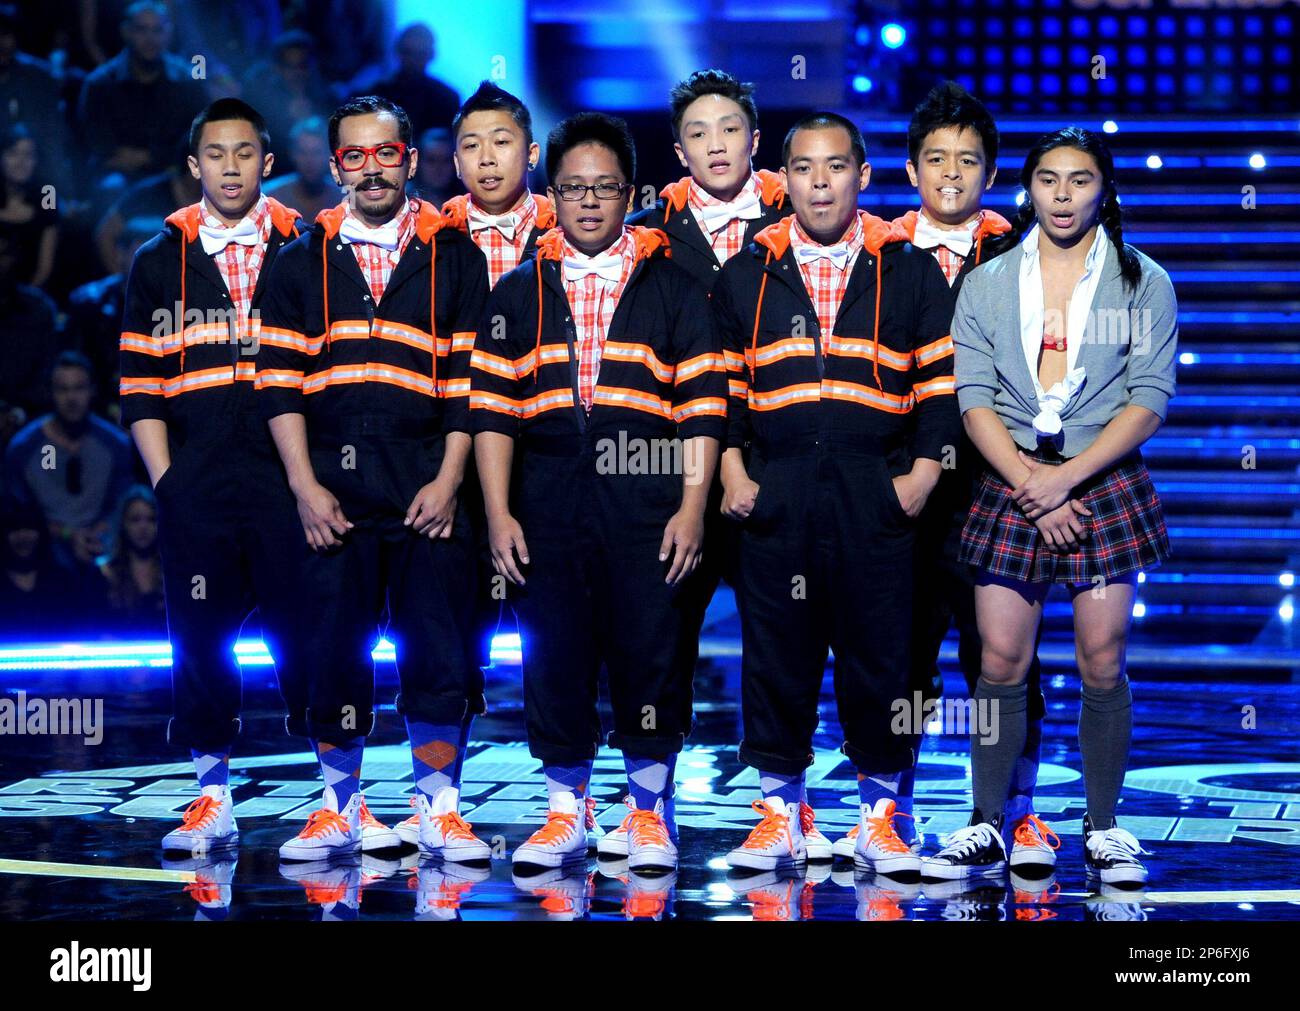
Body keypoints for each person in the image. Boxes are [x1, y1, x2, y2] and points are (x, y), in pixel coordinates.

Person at [470, 112, 724, 873]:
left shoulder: (675, 286)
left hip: (647, 497)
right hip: (546, 496)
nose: (588, 202)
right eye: (574, 187)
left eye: (605, 188)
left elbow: (705, 407)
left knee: (652, 650)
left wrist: (690, 504)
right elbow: (491, 412)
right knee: (554, 652)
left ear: (633, 193)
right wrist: (497, 512)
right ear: (552, 195)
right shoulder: (518, 289)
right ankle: (563, 812)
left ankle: (647, 815)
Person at [924, 126, 1177, 887]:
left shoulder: (1145, 282)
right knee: (1000, 661)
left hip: (1101, 480)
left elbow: (1150, 398)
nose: (1062, 195)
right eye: (1048, 180)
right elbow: (973, 401)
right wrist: (1032, 483)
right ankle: (986, 822)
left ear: (1105, 190)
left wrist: (1065, 480)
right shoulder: (990, 280)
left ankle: (1103, 827)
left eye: (1079, 180)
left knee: (1103, 663)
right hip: (1011, 483)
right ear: (1027, 188)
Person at [713, 113, 958, 876]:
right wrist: (731, 470)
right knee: (776, 655)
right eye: (805, 169)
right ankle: (779, 814)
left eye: (836, 167)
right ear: (782, 180)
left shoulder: (909, 268)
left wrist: (920, 477)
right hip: (777, 487)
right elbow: (718, 390)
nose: (821, 182)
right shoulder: (744, 271)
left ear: (863, 176)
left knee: (880, 657)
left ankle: (879, 818)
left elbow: (943, 389)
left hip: (874, 490)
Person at [255, 95, 491, 865]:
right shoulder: (297, 259)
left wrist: (453, 478)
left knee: (439, 649)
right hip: (331, 483)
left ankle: (438, 809)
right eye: (354, 156)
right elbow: (280, 387)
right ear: (335, 168)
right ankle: (339, 808)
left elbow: (471, 381)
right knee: (333, 649)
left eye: (384, 152)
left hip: (428, 475)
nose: (371, 168)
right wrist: (304, 487)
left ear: (409, 160)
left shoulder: (456, 254)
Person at [838, 81, 1052, 869]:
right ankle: (886, 813)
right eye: (936, 159)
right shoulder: (875, 250)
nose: (951, 175)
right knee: (896, 656)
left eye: (968, 161)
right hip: (900, 487)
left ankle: (1011, 813)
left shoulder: (1026, 250)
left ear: (991, 174)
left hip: (996, 488)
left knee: (1002, 658)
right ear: (910, 166)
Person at [118, 98, 314, 857]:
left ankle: (339, 797)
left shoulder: (307, 246)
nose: (230, 167)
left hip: (290, 482)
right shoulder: (156, 259)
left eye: (244, 154)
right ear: (193, 164)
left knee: (312, 634)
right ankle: (211, 796)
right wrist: (171, 483)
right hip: (197, 485)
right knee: (198, 639)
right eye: (215, 154)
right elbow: (139, 384)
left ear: (267, 163)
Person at [3, 351, 133, 574]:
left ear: (92, 390)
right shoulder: (23, 448)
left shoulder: (116, 445)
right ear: (51, 393)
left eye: (78, 388)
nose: (71, 398)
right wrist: (68, 536)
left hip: (102, 554)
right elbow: (17, 514)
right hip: (42, 563)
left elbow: (122, 504)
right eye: (63, 389)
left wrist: (96, 534)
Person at [75, 1, 206, 186]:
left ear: (169, 33)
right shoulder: (99, 84)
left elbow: (198, 137)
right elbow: (96, 144)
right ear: (126, 32)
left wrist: (152, 157)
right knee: (112, 184)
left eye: (157, 30)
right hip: (119, 174)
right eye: (141, 30)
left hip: (175, 172)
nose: (150, 38)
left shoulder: (188, 81)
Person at [96, 483, 165, 634]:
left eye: (151, 519)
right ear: (123, 524)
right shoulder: (104, 573)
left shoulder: (172, 573)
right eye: (135, 519)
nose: (143, 527)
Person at [370, 24, 460, 135]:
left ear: (431, 55)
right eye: (408, 52)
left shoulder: (447, 98)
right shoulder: (376, 95)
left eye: (420, 54)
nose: (413, 60)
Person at [0, 123, 58, 289]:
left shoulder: (49, 193)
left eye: (28, 155)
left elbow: (45, 267)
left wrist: (25, 300)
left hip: (31, 297)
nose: (21, 162)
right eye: (13, 153)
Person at [264, 117, 336, 223]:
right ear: (292, 154)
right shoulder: (269, 197)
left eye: (316, 152)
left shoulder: (345, 199)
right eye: (303, 152)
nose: (309, 160)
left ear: (329, 154)